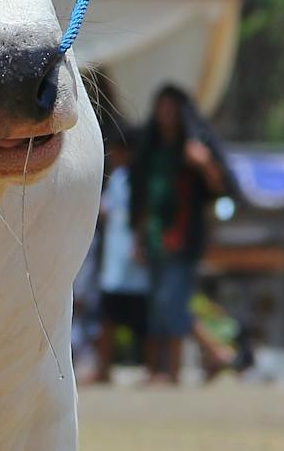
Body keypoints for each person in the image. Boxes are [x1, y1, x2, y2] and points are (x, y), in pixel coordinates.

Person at [131, 84, 230, 383]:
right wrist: (138, 237)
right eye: (161, 108)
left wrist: (204, 163)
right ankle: (210, 355)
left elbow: (221, 188)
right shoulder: (150, 150)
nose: (166, 115)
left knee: (171, 302)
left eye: (172, 110)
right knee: (159, 304)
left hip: (184, 238)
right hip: (154, 237)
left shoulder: (194, 146)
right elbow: (143, 198)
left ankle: (171, 371)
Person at [90, 128, 149, 381]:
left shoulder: (134, 178)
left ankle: (150, 366)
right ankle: (103, 368)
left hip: (131, 260)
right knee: (109, 318)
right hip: (115, 261)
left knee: (138, 320)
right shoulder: (119, 178)